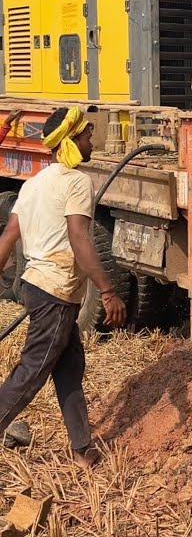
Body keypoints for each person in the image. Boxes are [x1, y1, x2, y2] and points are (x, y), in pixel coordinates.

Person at [0, 107, 126, 469]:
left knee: (70, 368)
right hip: (55, 291)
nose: (92, 140)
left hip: (38, 287)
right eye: (86, 135)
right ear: (70, 141)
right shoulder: (76, 181)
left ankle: (82, 449)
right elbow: (78, 236)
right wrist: (106, 290)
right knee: (31, 372)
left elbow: (9, 235)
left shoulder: (34, 183)